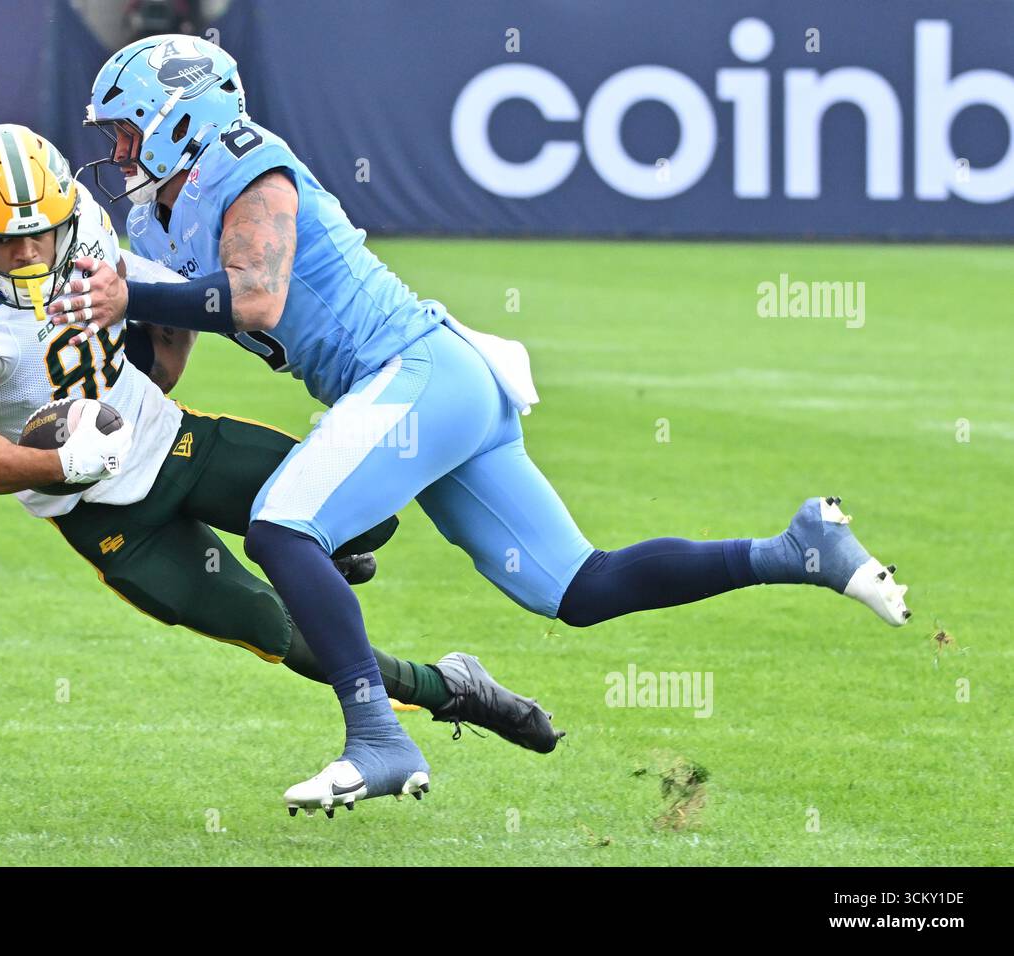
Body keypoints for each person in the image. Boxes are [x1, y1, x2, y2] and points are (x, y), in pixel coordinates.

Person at [51, 36, 911, 815]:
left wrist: (130, 289)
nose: (117, 151)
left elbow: (256, 296)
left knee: (281, 526)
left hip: (418, 372)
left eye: (126, 132)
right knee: (579, 588)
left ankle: (379, 737)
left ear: (180, 118)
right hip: (422, 392)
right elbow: (170, 345)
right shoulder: (153, 216)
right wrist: (105, 379)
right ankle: (796, 550)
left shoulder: (247, 163)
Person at [0, 124, 565, 779]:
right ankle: (452, 689)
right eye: (6, 238)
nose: (32, 250)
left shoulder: (89, 229)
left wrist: (151, 381)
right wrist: (66, 462)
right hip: (109, 520)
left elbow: (165, 301)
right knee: (280, 632)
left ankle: (323, 557)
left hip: (176, 443)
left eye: (43, 229)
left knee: (363, 519)